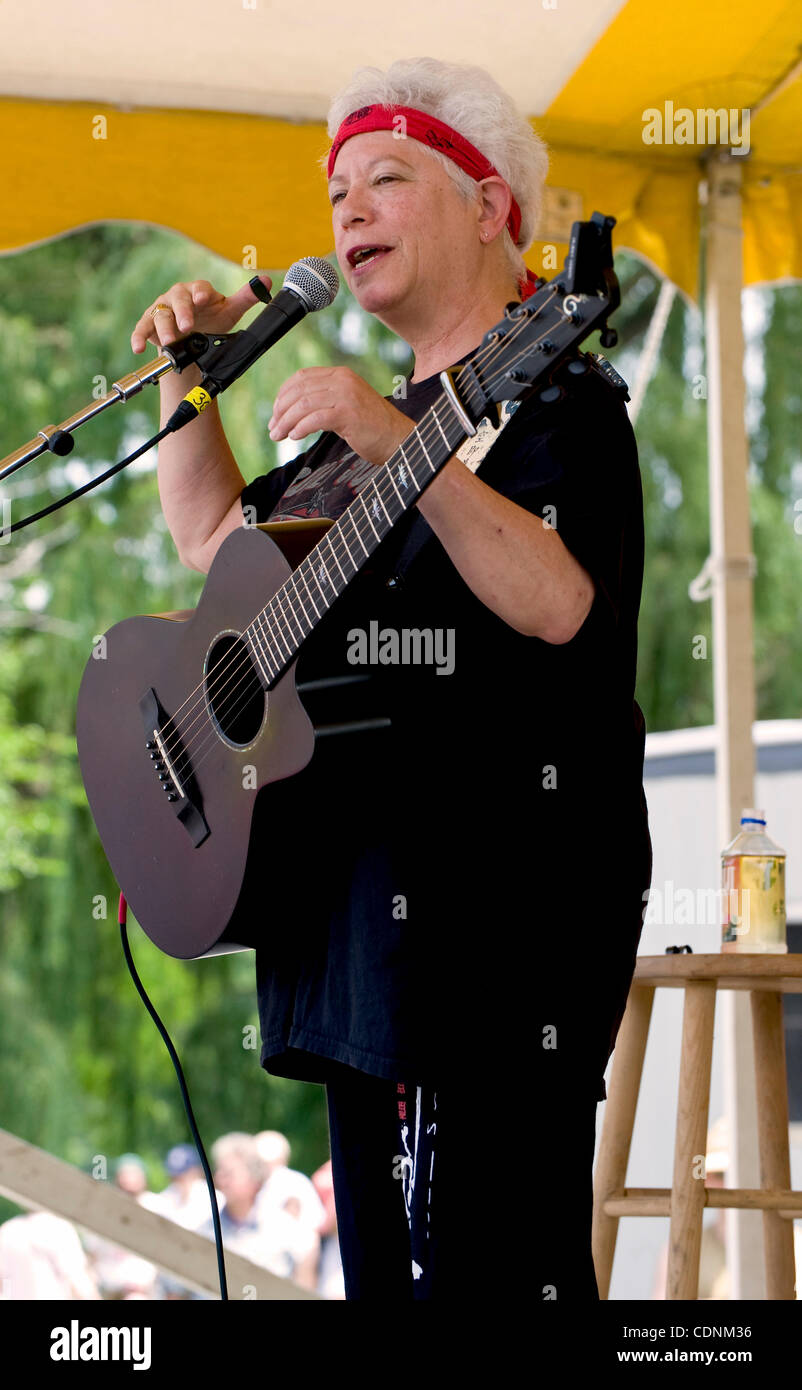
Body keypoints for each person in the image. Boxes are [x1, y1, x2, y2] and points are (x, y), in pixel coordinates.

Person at [130, 55, 652, 1301]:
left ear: (489, 209)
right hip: (356, 933)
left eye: (386, 178)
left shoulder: (559, 401)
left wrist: (390, 434)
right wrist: (188, 378)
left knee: (495, 1269)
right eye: (334, 193)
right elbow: (211, 545)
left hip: (497, 936)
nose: (348, 210)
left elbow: (559, 600)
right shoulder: (356, 427)